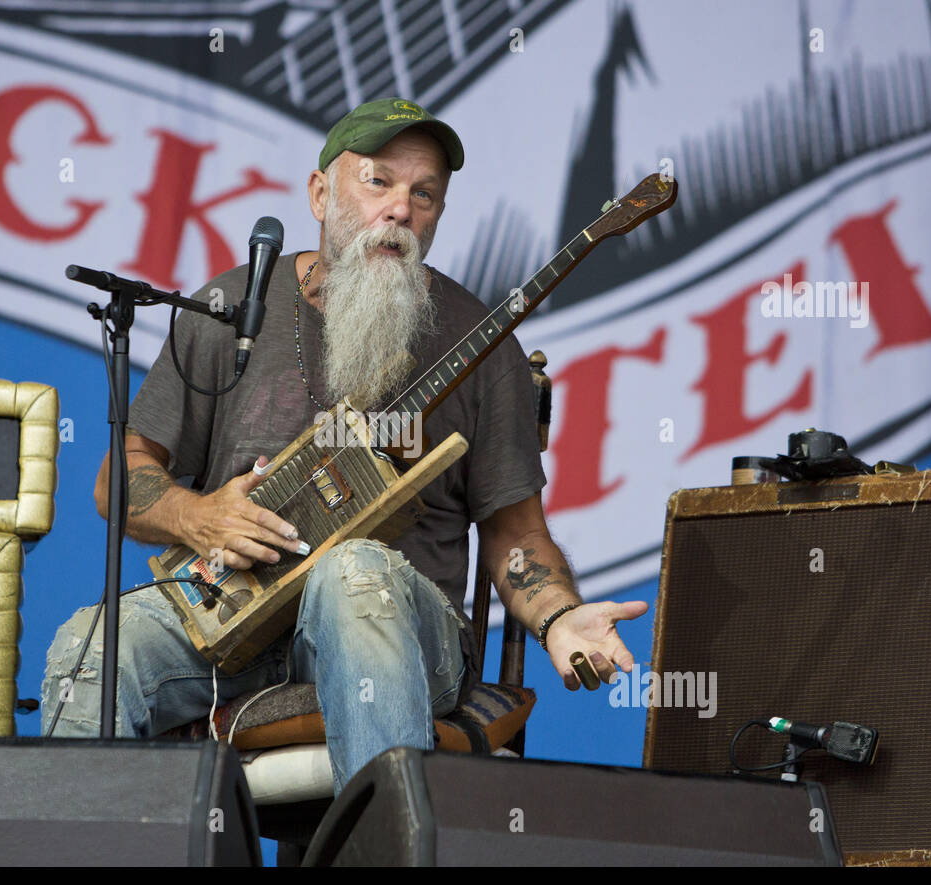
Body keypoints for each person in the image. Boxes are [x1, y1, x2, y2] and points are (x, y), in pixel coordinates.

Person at [40, 98, 647, 794]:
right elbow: (121, 479)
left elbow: (517, 534)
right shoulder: (229, 311)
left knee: (352, 570)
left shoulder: (483, 343)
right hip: (241, 619)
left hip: (403, 634)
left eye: (425, 194)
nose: (400, 210)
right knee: (94, 649)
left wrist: (561, 616)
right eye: (378, 181)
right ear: (321, 193)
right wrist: (198, 517)